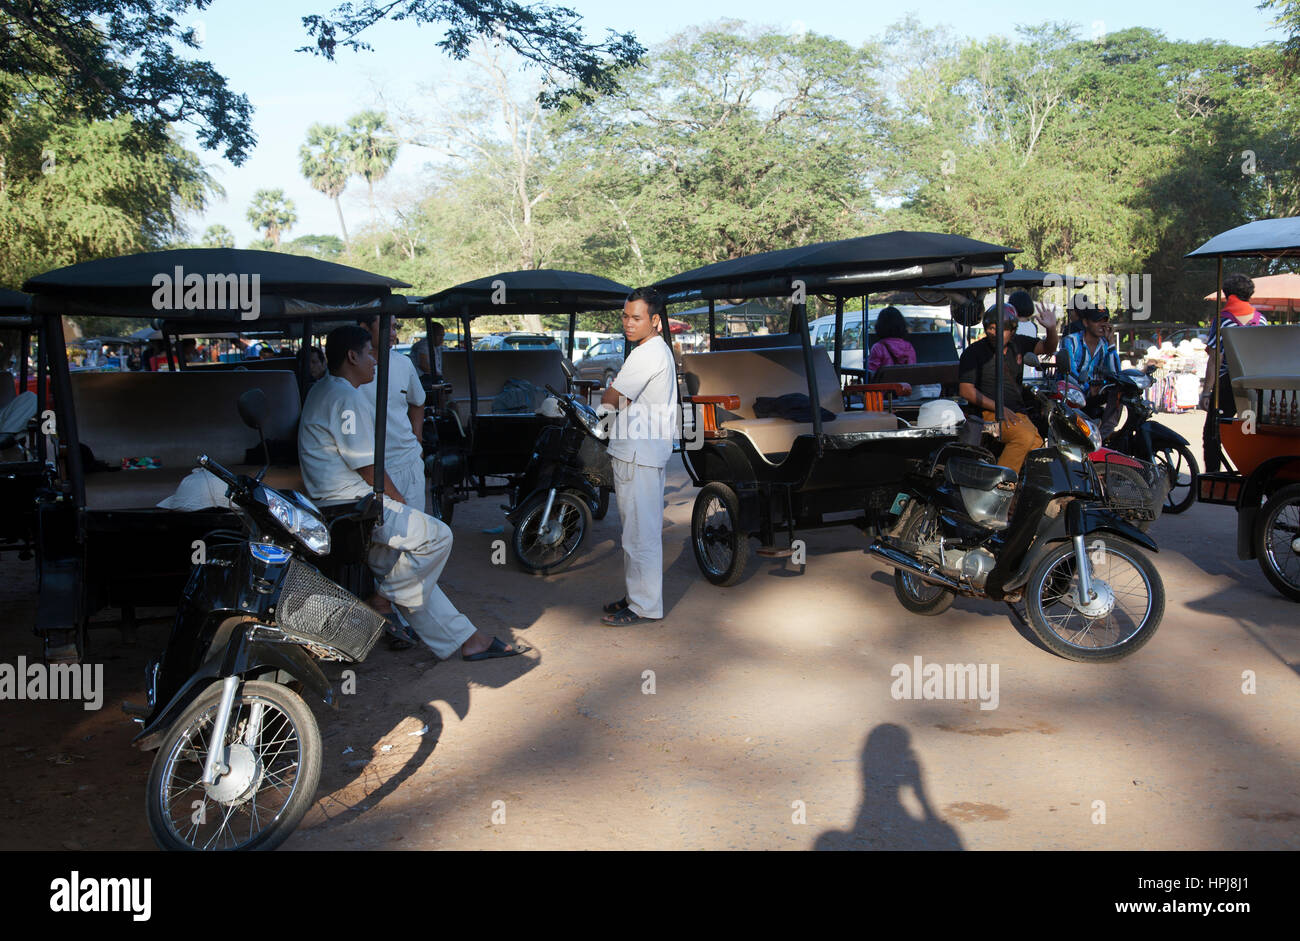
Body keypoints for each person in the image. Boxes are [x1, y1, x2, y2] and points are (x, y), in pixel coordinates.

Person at [298, 325, 523, 661]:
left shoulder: (326, 389)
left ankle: (467, 639)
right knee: (437, 538)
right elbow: (368, 466)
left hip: (342, 501)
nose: (375, 360)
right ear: (352, 356)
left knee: (404, 571)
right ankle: (382, 603)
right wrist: (398, 502)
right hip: (351, 506)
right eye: (369, 353)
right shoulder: (344, 396)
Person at [600, 287, 678, 626]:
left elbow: (614, 398)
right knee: (635, 532)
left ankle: (644, 604)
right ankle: (637, 596)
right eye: (625, 316)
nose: (628, 323)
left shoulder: (647, 354)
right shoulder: (651, 350)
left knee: (639, 535)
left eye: (636, 318)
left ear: (655, 320)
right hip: (640, 451)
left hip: (638, 453)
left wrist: (600, 415)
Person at [958, 302, 1059, 474]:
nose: (995, 333)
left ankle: (1019, 489)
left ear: (1012, 330)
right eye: (991, 328)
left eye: (1002, 329)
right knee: (1024, 437)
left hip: (1017, 412)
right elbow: (966, 390)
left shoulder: (1018, 344)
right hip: (988, 413)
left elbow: (1049, 347)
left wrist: (1051, 329)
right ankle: (1000, 485)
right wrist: (999, 408)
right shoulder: (973, 352)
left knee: (1038, 446)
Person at [1201, 273, 1269, 473]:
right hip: (1253, 385)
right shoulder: (1261, 320)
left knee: (1212, 432)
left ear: (1227, 295)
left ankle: (1213, 475)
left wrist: (1206, 391)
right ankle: (1252, 472)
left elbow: (1215, 358)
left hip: (1227, 385)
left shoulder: (1223, 320)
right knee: (1249, 430)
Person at [1057, 306, 1122, 438]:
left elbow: (1116, 374)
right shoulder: (1070, 341)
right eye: (1097, 321)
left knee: (1120, 390)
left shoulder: (1105, 345)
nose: (1102, 325)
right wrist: (1088, 388)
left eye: (1105, 321)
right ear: (1086, 323)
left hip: (1094, 395)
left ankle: (1104, 435)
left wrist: (1111, 344)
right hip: (1072, 394)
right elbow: (1069, 373)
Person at [867, 307, 917, 396]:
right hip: (905, 394)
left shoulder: (878, 347)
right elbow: (911, 373)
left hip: (883, 397)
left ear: (880, 326)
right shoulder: (909, 347)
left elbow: (871, 375)